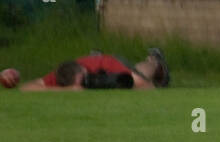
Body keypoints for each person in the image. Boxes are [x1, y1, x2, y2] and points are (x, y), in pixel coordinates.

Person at [21, 48, 169, 91]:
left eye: (84, 80)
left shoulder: (102, 65)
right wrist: (67, 90)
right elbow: (26, 88)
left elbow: (143, 85)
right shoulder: (61, 75)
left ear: (84, 71)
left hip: (112, 63)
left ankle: (154, 60)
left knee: (141, 74)